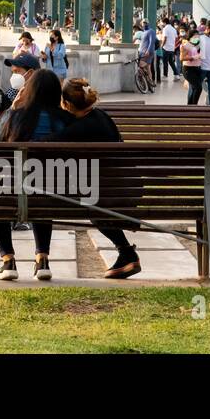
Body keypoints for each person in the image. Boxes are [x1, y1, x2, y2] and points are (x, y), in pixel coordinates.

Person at [0, 69, 68, 281]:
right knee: (43, 190)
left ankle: (8, 261)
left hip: (9, 191)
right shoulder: (62, 120)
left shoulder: (16, 116)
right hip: (54, 192)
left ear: (27, 90)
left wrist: (13, 107)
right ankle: (42, 259)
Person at [53, 78, 142, 278]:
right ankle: (126, 253)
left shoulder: (81, 128)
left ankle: (127, 252)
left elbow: (47, 142)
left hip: (112, 192)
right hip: (126, 184)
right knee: (90, 198)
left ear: (66, 104)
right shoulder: (100, 116)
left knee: (90, 203)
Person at [180, 31, 203, 104]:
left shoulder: (198, 45)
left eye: (198, 36)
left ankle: (190, 106)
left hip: (197, 68)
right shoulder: (185, 45)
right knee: (198, 87)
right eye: (195, 36)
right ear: (190, 37)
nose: (197, 38)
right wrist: (193, 57)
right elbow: (182, 58)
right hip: (188, 69)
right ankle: (194, 106)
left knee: (193, 88)